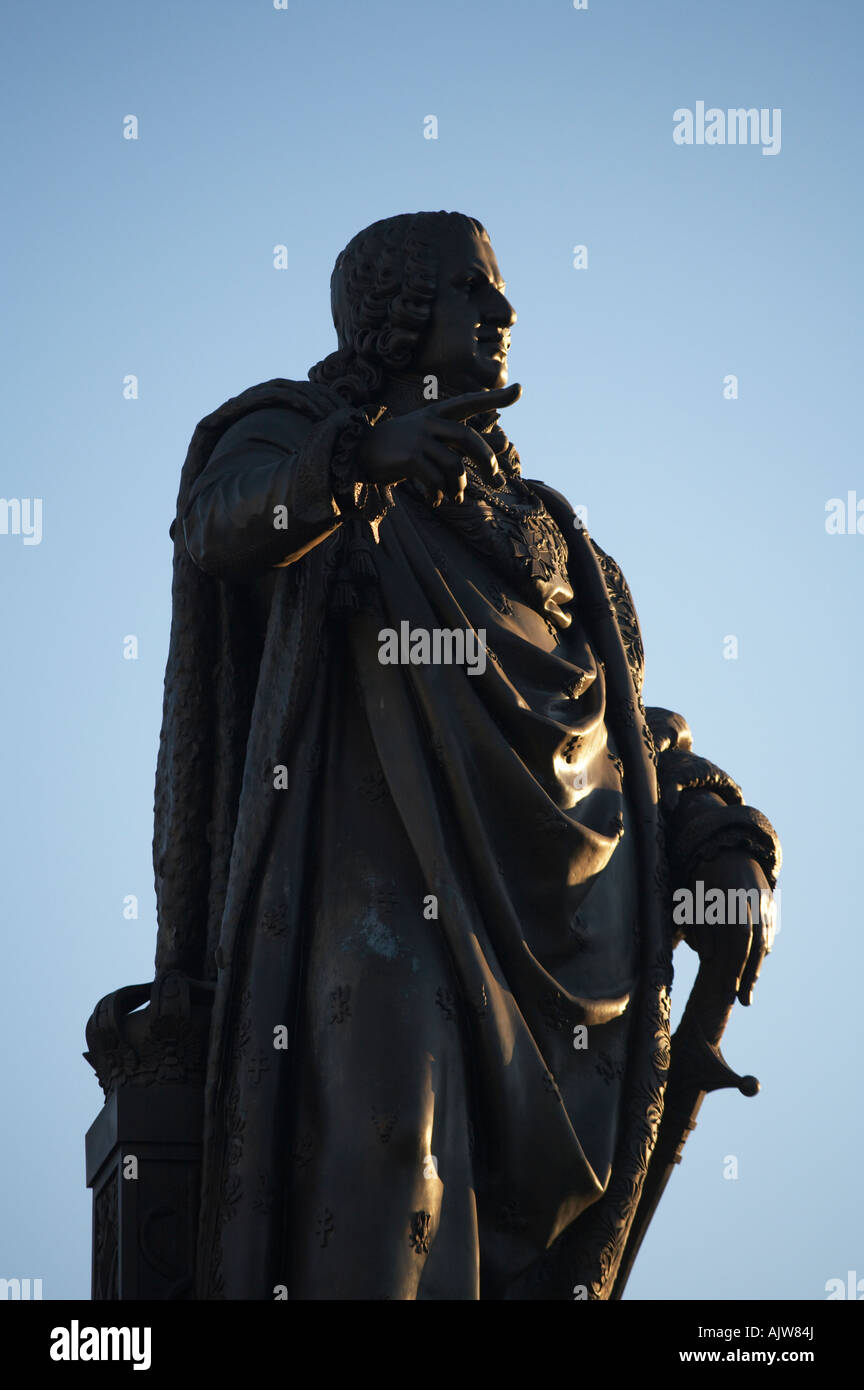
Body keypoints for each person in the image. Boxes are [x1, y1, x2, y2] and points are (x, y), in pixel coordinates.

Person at [153, 210, 780, 1300]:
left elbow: (619, 725)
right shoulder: (293, 432)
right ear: (396, 312)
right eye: (470, 291)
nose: (503, 312)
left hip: (570, 930)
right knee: (394, 1148)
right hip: (377, 872)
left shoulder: (552, 534)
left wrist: (713, 826)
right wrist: (360, 460)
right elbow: (219, 524)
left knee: (511, 1237)